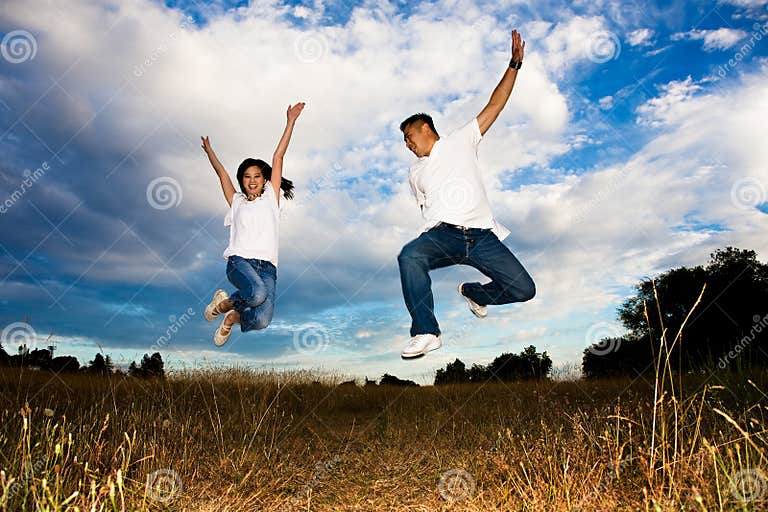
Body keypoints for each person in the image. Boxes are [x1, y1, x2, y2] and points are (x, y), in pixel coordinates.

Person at [397, 30, 535, 359]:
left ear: (426, 128)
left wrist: (514, 64)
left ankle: (475, 293)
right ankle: (426, 331)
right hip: (444, 236)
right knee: (410, 256)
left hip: (482, 237)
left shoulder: (461, 140)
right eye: (404, 141)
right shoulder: (414, 172)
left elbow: (495, 105)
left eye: (409, 135)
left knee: (524, 289)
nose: (407, 143)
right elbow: (426, 208)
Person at [200, 102, 305, 346]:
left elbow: (278, 156)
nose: (252, 180)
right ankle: (223, 305)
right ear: (242, 180)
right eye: (247, 176)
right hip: (240, 262)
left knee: (262, 320)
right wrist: (210, 152)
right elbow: (222, 175)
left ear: (264, 179)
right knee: (256, 294)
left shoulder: (271, 198)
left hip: (268, 268)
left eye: (257, 176)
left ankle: (230, 314)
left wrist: (290, 122)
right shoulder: (236, 201)